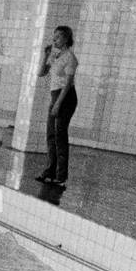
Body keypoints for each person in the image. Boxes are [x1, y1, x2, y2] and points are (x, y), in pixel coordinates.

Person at [36, 26, 78, 189]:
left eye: (58, 38)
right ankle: (49, 172)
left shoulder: (70, 58)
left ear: (66, 39)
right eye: (53, 38)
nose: (54, 41)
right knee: (51, 135)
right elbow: (41, 73)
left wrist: (58, 104)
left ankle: (60, 176)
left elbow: (68, 84)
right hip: (55, 95)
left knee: (60, 136)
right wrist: (45, 55)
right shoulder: (55, 55)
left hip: (65, 98)